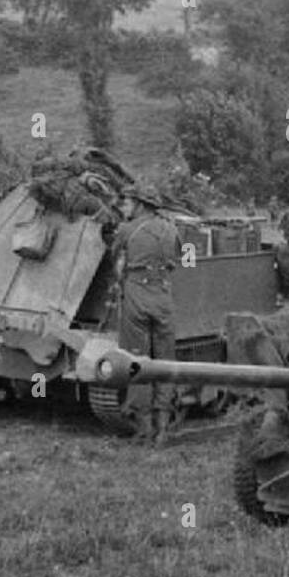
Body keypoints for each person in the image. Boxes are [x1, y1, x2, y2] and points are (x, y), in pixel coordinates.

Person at [113, 184, 183, 442]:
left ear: (141, 204)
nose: (124, 206)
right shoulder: (171, 228)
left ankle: (143, 428)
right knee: (165, 360)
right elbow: (177, 259)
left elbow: (116, 261)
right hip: (163, 295)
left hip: (136, 296)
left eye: (128, 201)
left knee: (136, 360)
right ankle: (163, 427)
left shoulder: (126, 230)